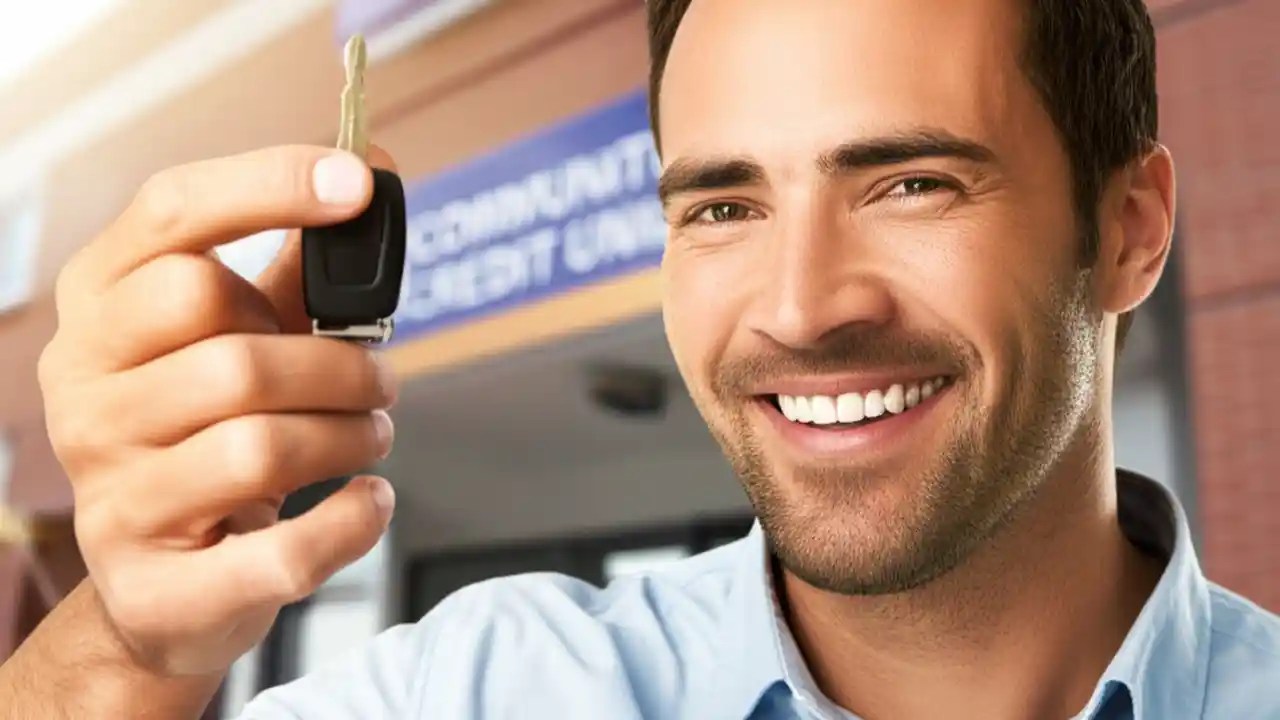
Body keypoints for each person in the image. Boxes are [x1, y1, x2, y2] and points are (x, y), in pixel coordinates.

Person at [2, 0, 1278, 717]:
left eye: (909, 183)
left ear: (1127, 231)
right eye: (722, 205)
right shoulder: (483, 692)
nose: (799, 308)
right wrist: (127, 652)